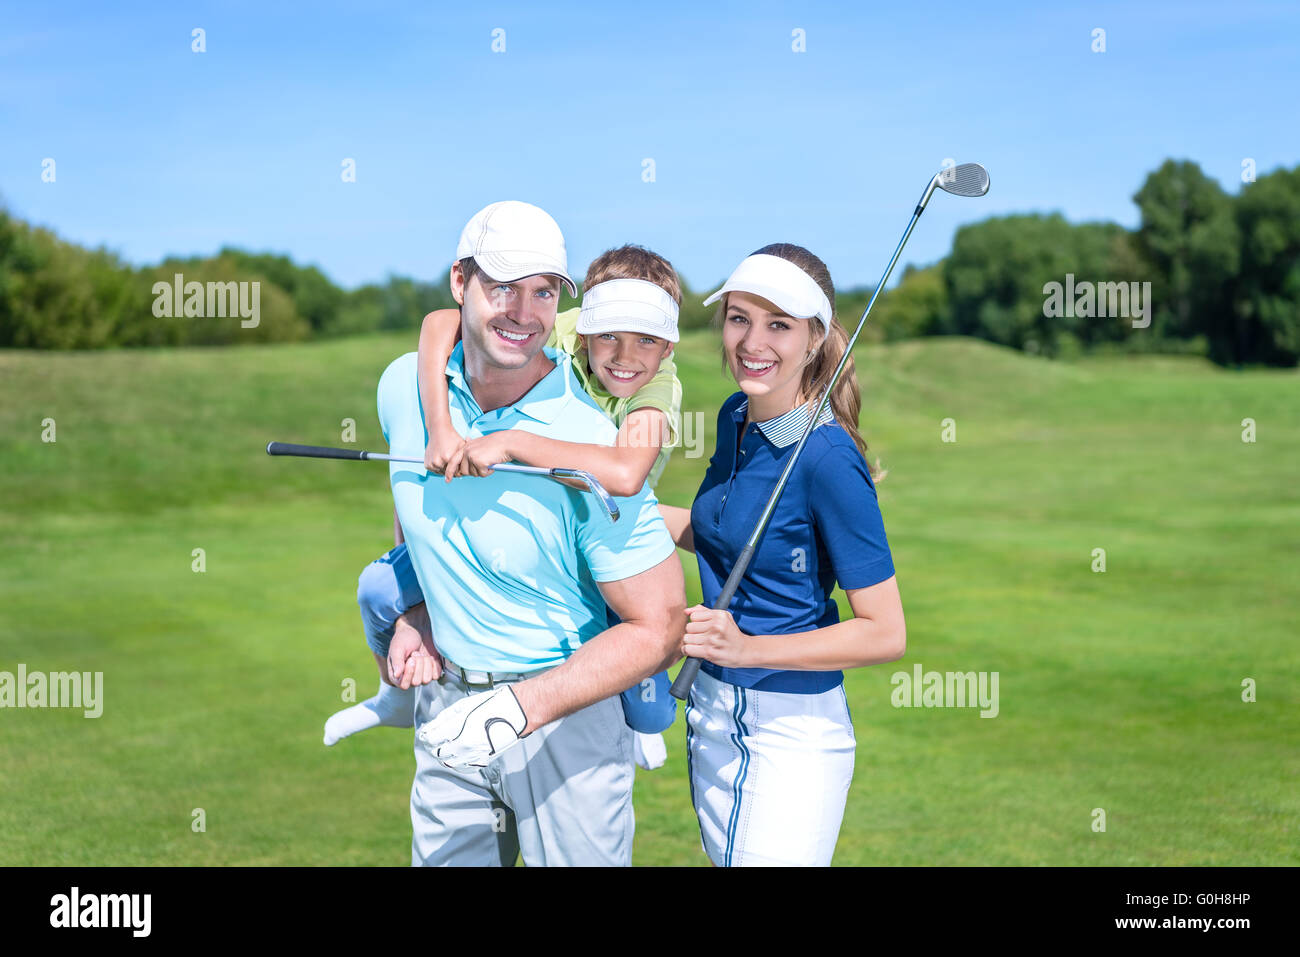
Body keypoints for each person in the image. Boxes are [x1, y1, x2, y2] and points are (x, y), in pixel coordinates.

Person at [375, 200, 686, 866]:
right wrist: (417, 604)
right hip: (446, 709)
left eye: (543, 291)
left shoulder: (589, 439)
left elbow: (660, 625)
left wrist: (520, 707)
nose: (523, 310)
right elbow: (413, 499)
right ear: (460, 282)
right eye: (503, 287)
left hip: (563, 720)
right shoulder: (405, 386)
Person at [325, 245, 685, 771]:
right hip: (518, 517)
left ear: (668, 346)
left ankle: (632, 727)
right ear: (584, 324)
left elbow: (626, 474)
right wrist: (440, 426)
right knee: (380, 589)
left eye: (646, 340)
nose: (625, 356)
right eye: (608, 334)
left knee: (646, 704)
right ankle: (395, 698)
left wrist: (514, 442)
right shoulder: (557, 329)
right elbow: (439, 322)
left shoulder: (660, 384)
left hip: (607, 533)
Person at [657, 243, 906, 867]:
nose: (752, 342)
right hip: (713, 713)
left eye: (779, 325)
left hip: (790, 731)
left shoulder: (828, 458)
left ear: (815, 338)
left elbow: (886, 633)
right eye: (739, 318)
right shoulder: (736, 417)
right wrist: (612, 508)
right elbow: (721, 535)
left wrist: (748, 650)